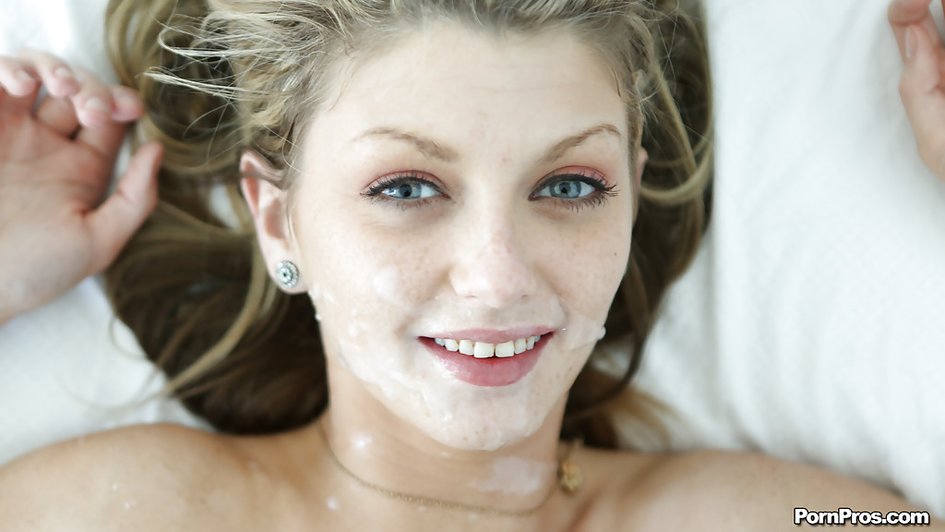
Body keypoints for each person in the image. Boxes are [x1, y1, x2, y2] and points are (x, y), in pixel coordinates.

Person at [0, 0, 942, 530]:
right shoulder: (124, 512)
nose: (498, 277)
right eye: (407, 188)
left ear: (629, 195)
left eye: (568, 186)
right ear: (278, 220)